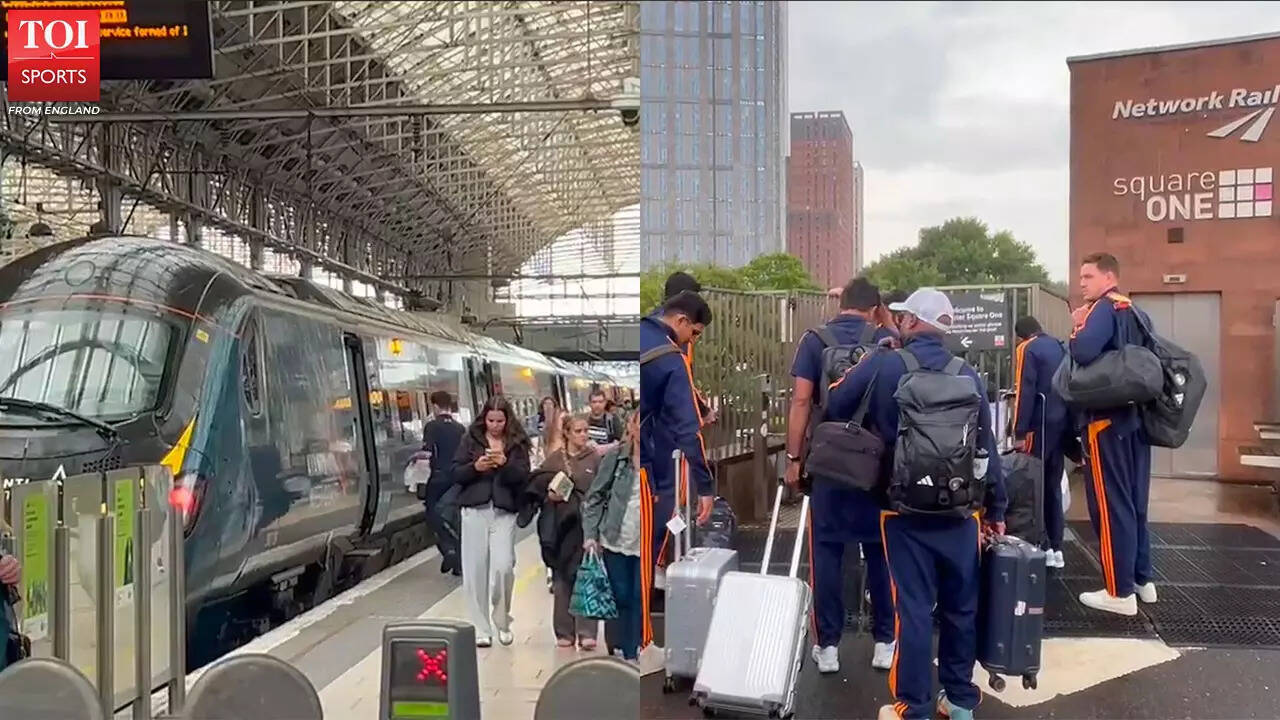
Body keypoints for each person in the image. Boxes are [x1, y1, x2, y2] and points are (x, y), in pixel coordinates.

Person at [826, 288, 1007, 720]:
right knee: (961, 605)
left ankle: (913, 705)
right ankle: (960, 700)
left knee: (913, 607)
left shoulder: (887, 363)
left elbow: (836, 401)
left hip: (901, 508)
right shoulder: (968, 374)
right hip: (962, 512)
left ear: (909, 322)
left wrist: (872, 355)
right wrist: (996, 510)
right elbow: (987, 447)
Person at [784, 277, 898, 674]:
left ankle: (828, 647)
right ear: (874, 307)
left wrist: (794, 458)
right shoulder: (886, 338)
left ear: (840, 304)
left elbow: (801, 399)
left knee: (827, 553)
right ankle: (885, 642)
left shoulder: (814, 339)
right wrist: (884, 317)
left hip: (829, 460)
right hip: (877, 463)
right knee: (882, 552)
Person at [1069, 252, 1156, 616]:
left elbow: (1083, 351)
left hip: (1106, 422)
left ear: (1108, 278)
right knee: (1135, 504)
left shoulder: (1103, 309)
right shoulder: (1138, 312)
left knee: (1110, 506)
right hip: (1136, 422)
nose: (1081, 283)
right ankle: (1141, 579)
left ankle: (1119, 592)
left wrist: (1077, 327)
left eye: (1088, 276)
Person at [638, 290, 716, 648]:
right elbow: (688, 429)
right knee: (645, 554)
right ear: (682, 321)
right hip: (644, 471)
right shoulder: (670, 358)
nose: (691, 342)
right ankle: (642, 643)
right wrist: (706, 485)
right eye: (695, 333)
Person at [453, 395, 532, 647]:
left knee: (503, 566)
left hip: (504, 512)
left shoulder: (517, 443)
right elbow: (455, 473)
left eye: (500, 420)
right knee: (474, 570)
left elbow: (523, 476)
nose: (495, 425)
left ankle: (502, 620)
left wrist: (504, 464)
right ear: (484, 419)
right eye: (491, 420)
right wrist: (475, 467)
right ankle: (480, 627)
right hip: (474, 511)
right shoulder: (470, 439)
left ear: (508, 420)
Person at [537, 413, 602, 649]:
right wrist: (549, 496)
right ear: (566, 433)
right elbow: (538, 488)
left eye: (586, 431)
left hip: (587, 524)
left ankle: (586, 631)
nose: (583, 435)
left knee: (587, 575)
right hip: (563, 525)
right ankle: (564, 631)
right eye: (578, 431)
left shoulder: (594, 459)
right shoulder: (554, 461)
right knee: (562, 577)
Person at [583, 410, 643, 662]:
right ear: (631, 426)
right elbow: (595, 496)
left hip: (646, 543)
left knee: (639, 596)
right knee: (620, 594)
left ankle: (633, 650)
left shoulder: (663, 458)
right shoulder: (616, 458)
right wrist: (590, 535)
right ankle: (618, 647)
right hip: (615, 538)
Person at [1012, 316, 1070, 567]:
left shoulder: (1027, 349)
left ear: (1021, 336)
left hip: (1039, 425)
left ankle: (1038, 545)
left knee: (1033, 488)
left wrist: (1019, 432)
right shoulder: (1060, 347)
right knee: (1053, 486)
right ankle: (1056, 548)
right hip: (1062, 423)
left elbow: (1025, 390)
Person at [421, 391, 467, 576]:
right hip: (457, 479)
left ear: (435, 407)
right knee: (454, 518)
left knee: (434, 516)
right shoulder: (460, 428)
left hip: (438, 478)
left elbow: (428, 452)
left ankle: (449, 550)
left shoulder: (431, 426)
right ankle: (458, 560)